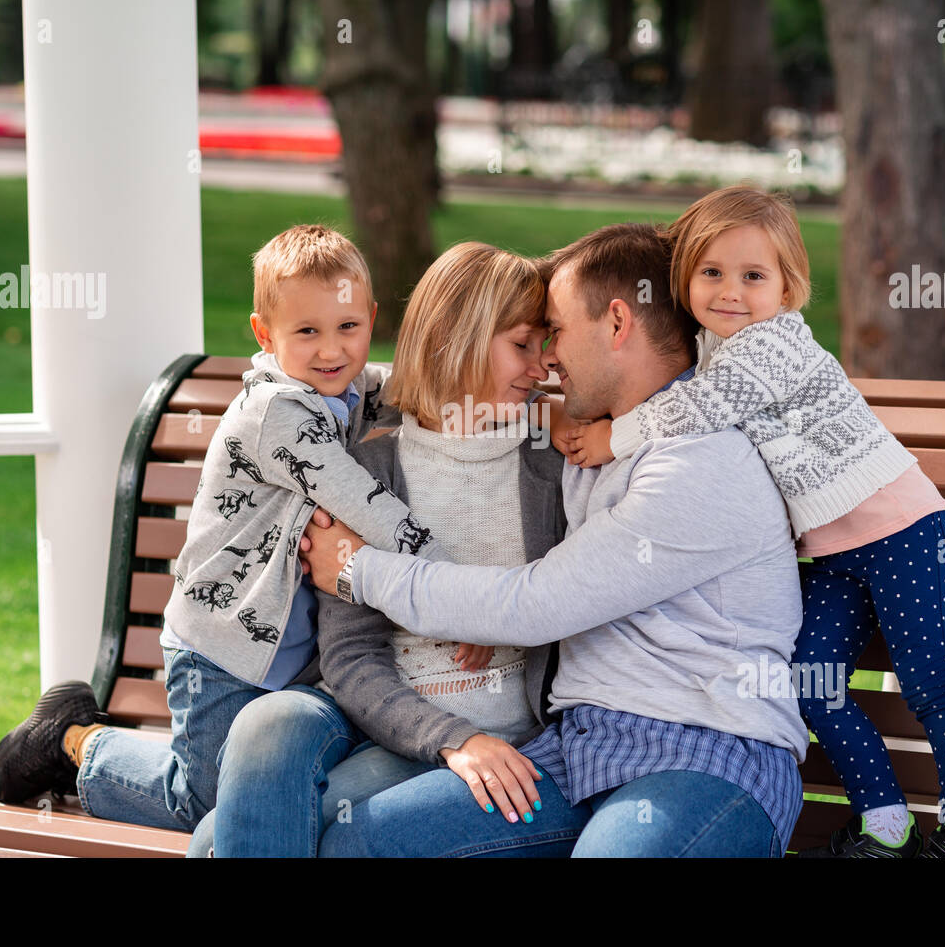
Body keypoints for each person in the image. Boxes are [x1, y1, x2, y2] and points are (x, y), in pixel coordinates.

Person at [301, 222, 810, 858]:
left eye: (559, 331)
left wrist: (356, 570)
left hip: (704, 751)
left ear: (618, 323)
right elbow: (452, 396)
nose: (550, 360)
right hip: (578, 749)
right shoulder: (593, 441)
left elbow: (536, 605)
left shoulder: (698, 463)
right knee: (360, 844)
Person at [562, 187, 945, 858]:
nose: (730, 291)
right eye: (711, 272)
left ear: (787, 288)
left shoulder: (775, 345)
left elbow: (704, 406)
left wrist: (611, 439)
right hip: (834, 552)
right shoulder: (712, 348)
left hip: (902, 531)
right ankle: (884, 824)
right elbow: (675, 389)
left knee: (928, 678)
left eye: (753, 276)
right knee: (811, 682)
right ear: (684, 279)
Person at [0, 225, 458, 831]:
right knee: (208, 803)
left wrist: (528, 403)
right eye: (306, 331)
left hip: (295, 661)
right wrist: (459, 595)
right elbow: (372, 509)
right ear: (265, 333)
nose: (331, 350)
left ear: (369, 318)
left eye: (347, 328)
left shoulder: (347, 388)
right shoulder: (276, 417)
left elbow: (422, 390)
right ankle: (73, 742)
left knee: (272, 789)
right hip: (222, 652)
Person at [188, 241, 566, 857]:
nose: (542, 368)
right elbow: (353, 654)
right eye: (523, 345)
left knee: (240, 840)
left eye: (545, 346)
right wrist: (445, 733)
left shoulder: (557, 464)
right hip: (399, 731)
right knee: (217, 827)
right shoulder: (367, 467)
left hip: (512, 742)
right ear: (456, 340)